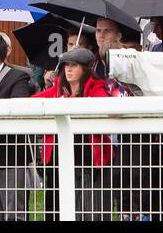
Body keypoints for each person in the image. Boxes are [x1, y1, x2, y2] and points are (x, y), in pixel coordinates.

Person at [34, 48, 113, 215]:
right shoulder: (57, 90)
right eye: (66, 65)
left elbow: (103, 104)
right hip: (57, 158)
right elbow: (34, 102)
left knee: (88, 208)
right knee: (56, 206)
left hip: (87, 158)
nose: (68, 69)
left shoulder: (97, 87)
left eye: (73, 65)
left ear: (85, 68)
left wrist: (66, 102)